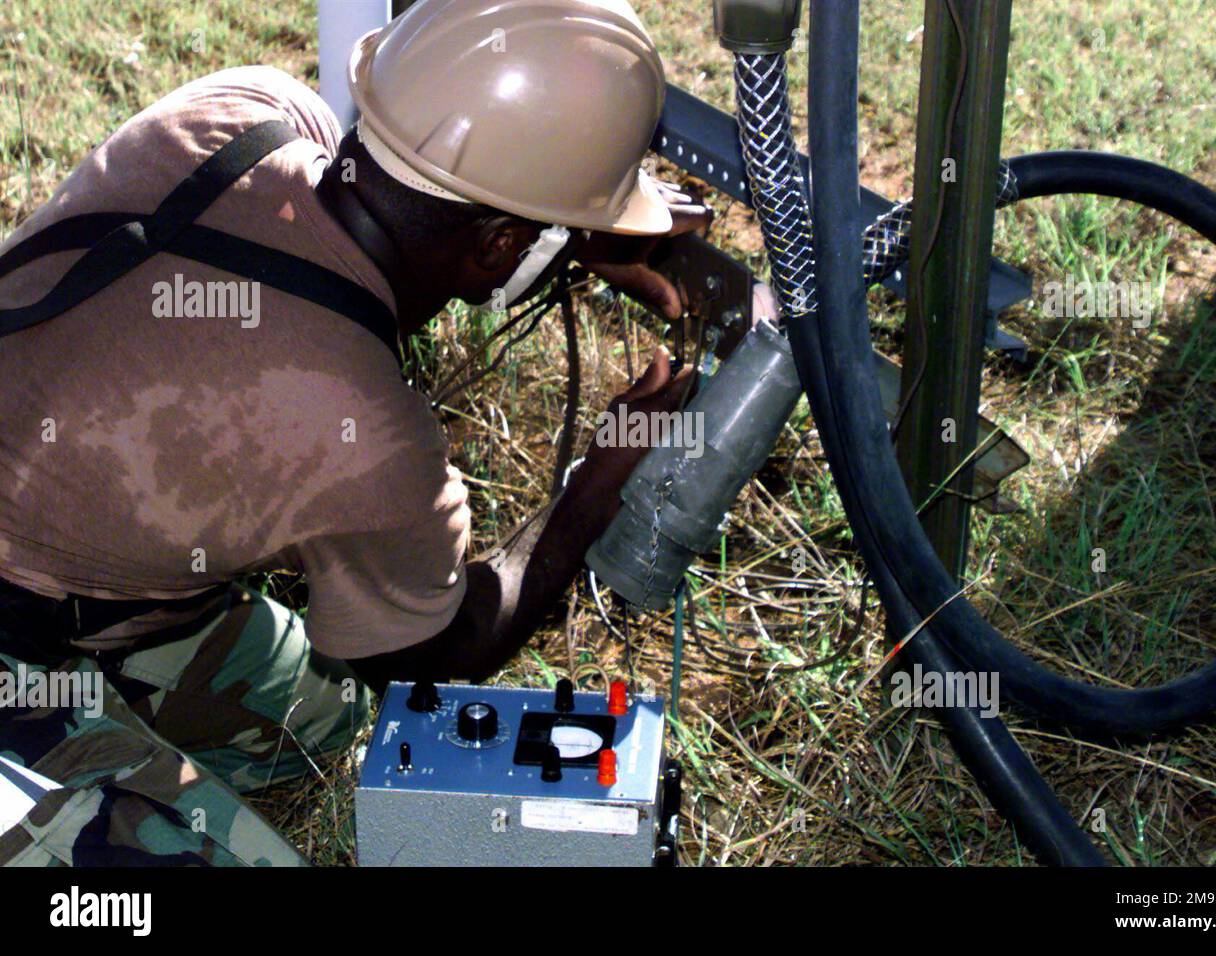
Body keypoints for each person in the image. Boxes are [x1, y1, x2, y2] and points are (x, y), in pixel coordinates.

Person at [0, 0, 708, 865]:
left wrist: (551, 230)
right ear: (497, 247)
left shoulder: (243, 106)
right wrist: (594, 487)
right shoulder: (366, 436)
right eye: (551, 241)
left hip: (80, 575)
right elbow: (438, 649)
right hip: (21, 641)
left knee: (322, 719)